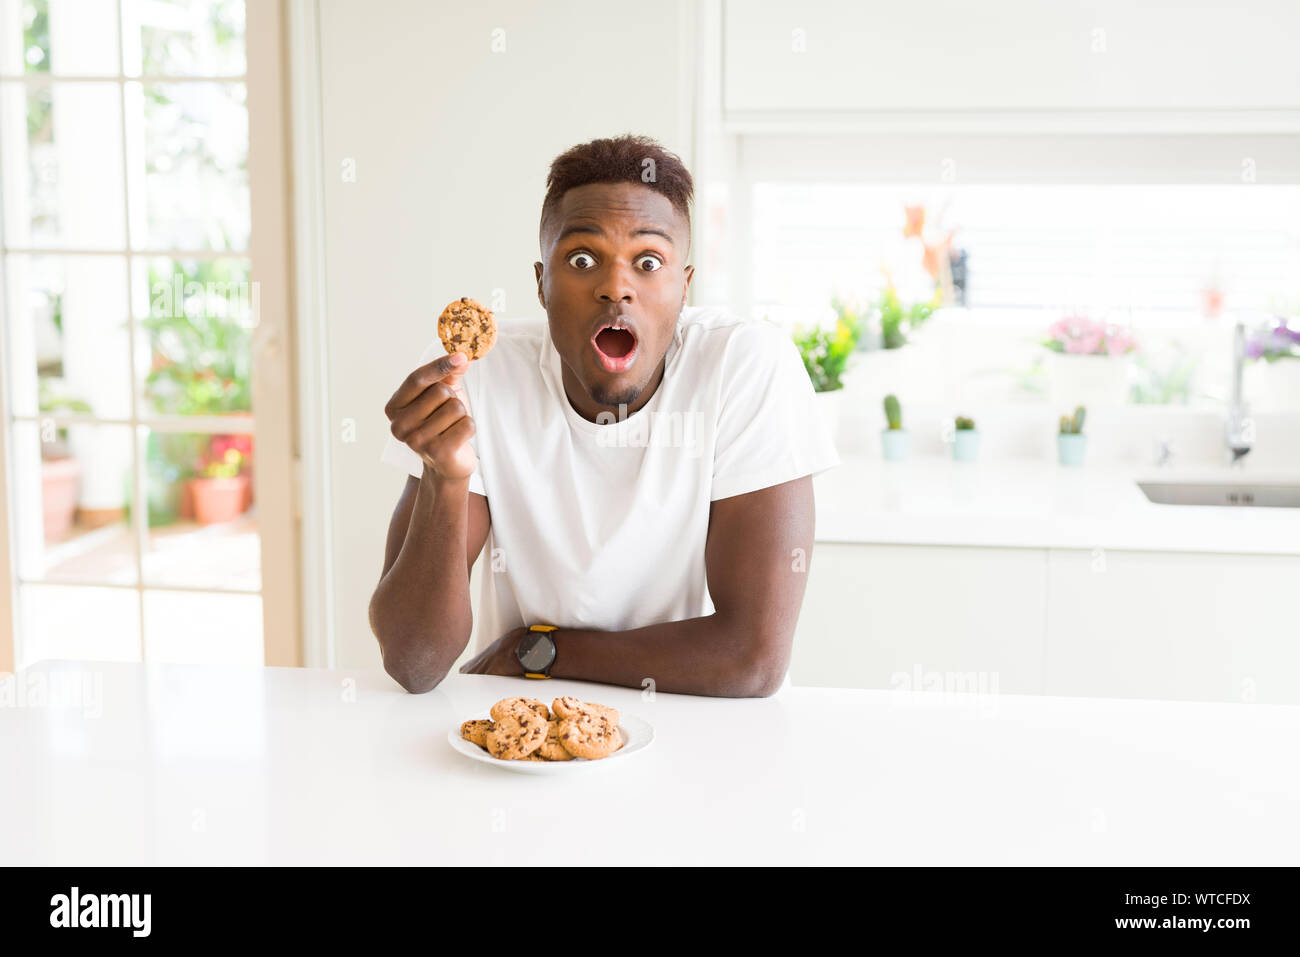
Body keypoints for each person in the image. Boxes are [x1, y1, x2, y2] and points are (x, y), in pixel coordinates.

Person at [373, 133, 838, 697]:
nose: (616, 287)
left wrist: (537, 652)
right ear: (541, 284)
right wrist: (445, 478)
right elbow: (413, 662)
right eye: (582, 259)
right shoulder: (474, 376)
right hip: (530, 731)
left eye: (648, 261)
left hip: (696, 719)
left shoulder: (744, 366)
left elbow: (751, 661)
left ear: (684, 287)